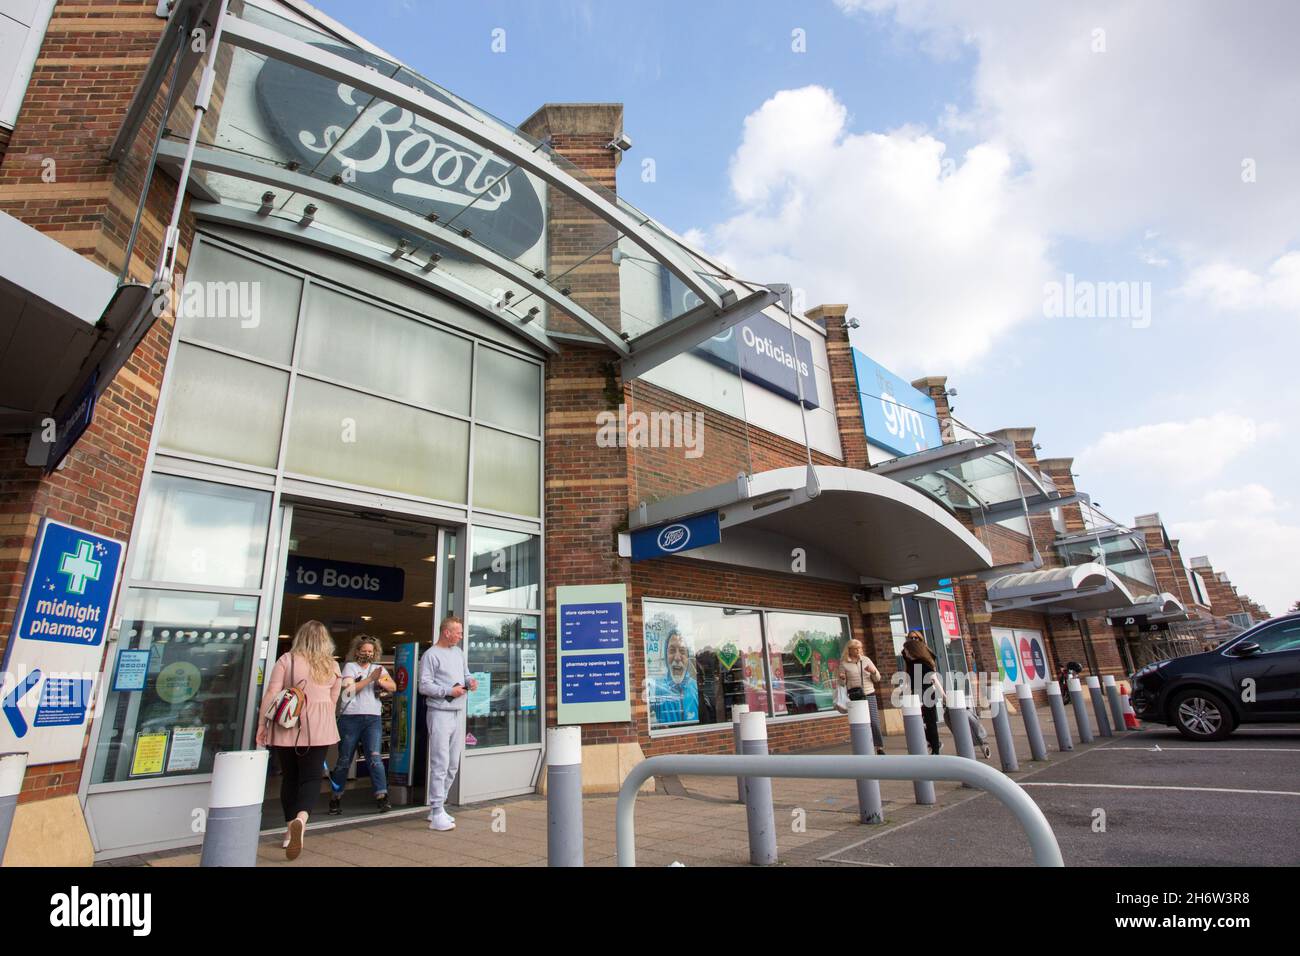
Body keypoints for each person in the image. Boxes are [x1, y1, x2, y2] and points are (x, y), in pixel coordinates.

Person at [256, 620, 341, 861]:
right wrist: (321, 715)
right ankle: (301, 819)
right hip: (319, 728)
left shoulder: (288, 660)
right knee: (312, 777)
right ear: (325, 641)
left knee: (290, 777)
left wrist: (262, 724)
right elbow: (334, 700)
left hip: (287, 724)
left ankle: (287, 830)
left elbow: (272, 693)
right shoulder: (332, 665)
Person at [417, 614, 477, 831]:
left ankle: (439, 806)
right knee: (440, 762)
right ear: (446, 632)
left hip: (458, 711)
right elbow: (423, 685)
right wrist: (447, 691)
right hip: (439, 712)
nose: (461, 636)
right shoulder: (431, 655)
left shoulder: (459, 653)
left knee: (453, 763)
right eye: (458, 633)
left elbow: (466, 673)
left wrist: (470, 680)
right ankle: (435, 810)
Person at [329, 635, 397, 815]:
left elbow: (393, 687)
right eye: (364, 651)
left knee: (375, 758)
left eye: (370, 651)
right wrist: (370, 679)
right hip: (351, 718)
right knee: (344, 759)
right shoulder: (350, 667)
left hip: (373, 717)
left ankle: (382, 796)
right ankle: (335, 796)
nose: (367, 654)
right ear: (357, 651)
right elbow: (349, 690)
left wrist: (380, 680)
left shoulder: (378, 668)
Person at [838, 639, 887, 754]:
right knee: (860, 722)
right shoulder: (844, 663)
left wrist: (873, 671)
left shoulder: (866, 660)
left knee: (874, 722)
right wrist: (842, 678)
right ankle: (865, 746)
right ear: (849, 650)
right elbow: (841, 684)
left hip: (869, 693)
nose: (858, 650)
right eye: (856, 648)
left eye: (860, 648)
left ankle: (879, 747)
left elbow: (877, 678)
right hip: (855, 696)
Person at [901, 631, 942, 755]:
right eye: (910, 638)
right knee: (918, 721)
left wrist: (943, 695)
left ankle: (935, 748)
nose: (913, 639)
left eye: (916, 638)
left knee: (929, 722)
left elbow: (933, 677)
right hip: (917, 692)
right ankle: (933, 743)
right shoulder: (908, 657)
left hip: (926, 692)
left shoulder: (925, 659)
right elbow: (909, 675)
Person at [648, 630, 699, 726]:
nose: (677, 657)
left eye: (682, 651)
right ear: (666, 656)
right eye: (672, 651)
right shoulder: (656, 688)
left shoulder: (696, 688)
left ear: (688, 657)